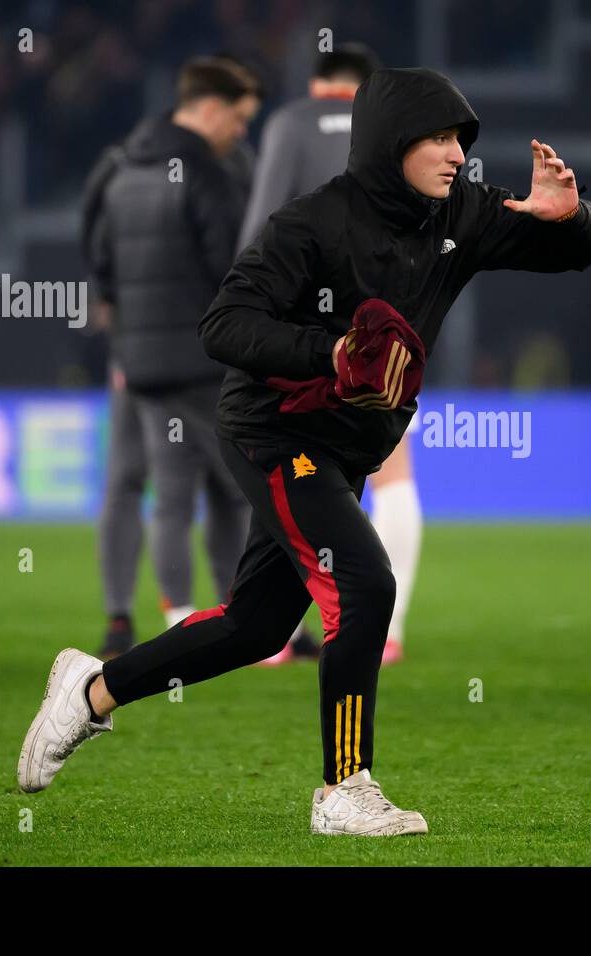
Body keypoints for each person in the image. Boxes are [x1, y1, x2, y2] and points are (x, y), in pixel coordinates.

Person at [19, 67, 591, 836]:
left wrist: (573, 216)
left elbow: (577, 250)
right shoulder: (312, 223)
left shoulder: (459, 212)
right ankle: (342, 789)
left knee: (258, 627)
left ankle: (92, 691)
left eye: (460, 139)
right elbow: (222, 326)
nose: (456, 154)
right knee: (364, 582)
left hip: (346, 449)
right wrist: (331, 351)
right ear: (390, 142)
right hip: (275, 433)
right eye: (436, 137)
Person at [238, 44, 421, 668]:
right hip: (383, 326)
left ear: (316, 84)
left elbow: (259, 229)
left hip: (303, 338)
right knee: (392, 472)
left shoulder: (289, 123)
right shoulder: (396, 134)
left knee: (280, 464)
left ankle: (276, 634)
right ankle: (388, 631)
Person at [81, 57, 261, 657]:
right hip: (199, 359)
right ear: (210, 108)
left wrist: (120, 312)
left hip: (132, 358)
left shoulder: (118, 163)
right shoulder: (215, 170)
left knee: (133, 483)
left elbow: (97, 252)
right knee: (228, 487)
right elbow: (234, 265)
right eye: (238, 119)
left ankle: (124, 618)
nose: (242, 132)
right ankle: (234, 618)